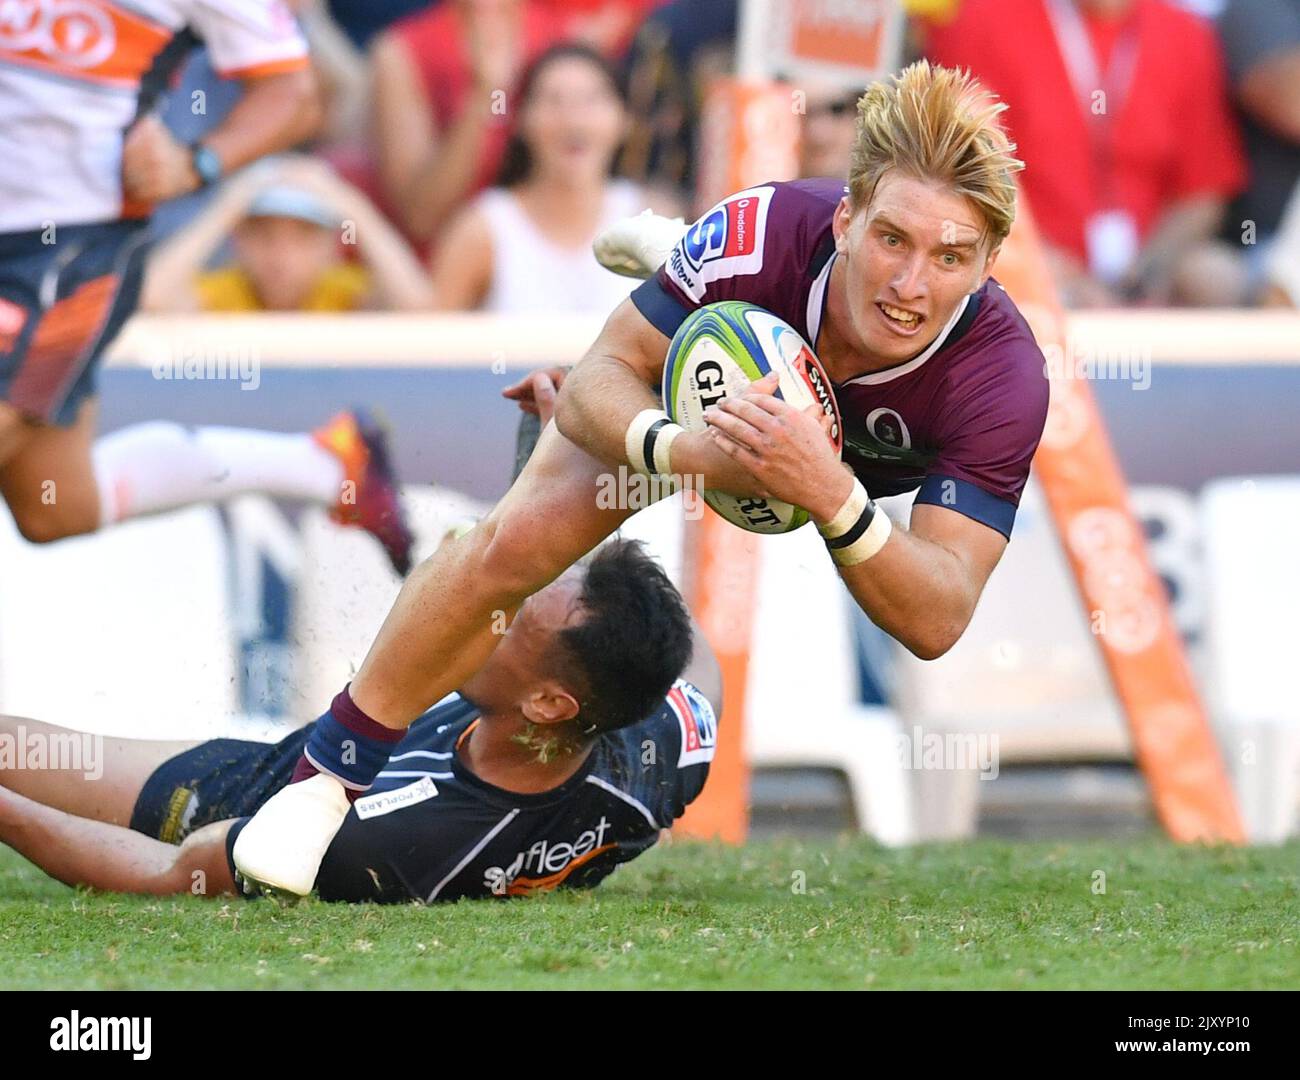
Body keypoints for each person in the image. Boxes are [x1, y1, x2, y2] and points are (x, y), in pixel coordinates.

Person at [234, 60, 1050, 897]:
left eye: (951, 257)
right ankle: (325, 782)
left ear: (990, 263)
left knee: (715, 406)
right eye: (892, 240)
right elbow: (596, 383)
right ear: (846, 219)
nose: (912, 285)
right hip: (712, 408)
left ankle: (687, 287)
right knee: (511, 551)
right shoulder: (767, 231)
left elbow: (939, 614)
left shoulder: (1004, 377)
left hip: (833, 471)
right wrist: (683, 452)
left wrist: (830, 491)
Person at [0, 539, 719, 904]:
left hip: (235, 795)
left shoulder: (391, 844)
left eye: (508, 618)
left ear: (547, 705)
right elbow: (689, 659)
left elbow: (169, 873)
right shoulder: (659, 742)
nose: (479, 608)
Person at [0, 1, 414, 563]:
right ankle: (329, 464)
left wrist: (198, 165)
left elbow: (292, 93)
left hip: (62, 252)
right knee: (54, 505)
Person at [922, 0, 1247, 307]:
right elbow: (960, 180)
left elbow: (1203, 191)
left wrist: (1148, 272)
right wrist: (1048, 269)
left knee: (1216, 275)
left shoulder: (1185, 33)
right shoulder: (984, 18)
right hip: (1031, 268)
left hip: (1144, 273)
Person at [431, 44, 678, 313]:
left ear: (625, 120)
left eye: (592, 100)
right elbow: (432, 337)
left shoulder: (657, 221)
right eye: (553, 100)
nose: (573, 120)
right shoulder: (484, 229)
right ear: (521, 120)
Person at [143, 156, 432, 312]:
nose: (282, 256)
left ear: (331, 247)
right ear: (239, 241)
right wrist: (226, 208)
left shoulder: (342, 293)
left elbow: (417, 307)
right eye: (264, 236)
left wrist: (352, 207)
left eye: (303, 238)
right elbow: (151, 298)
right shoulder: (228, 290)